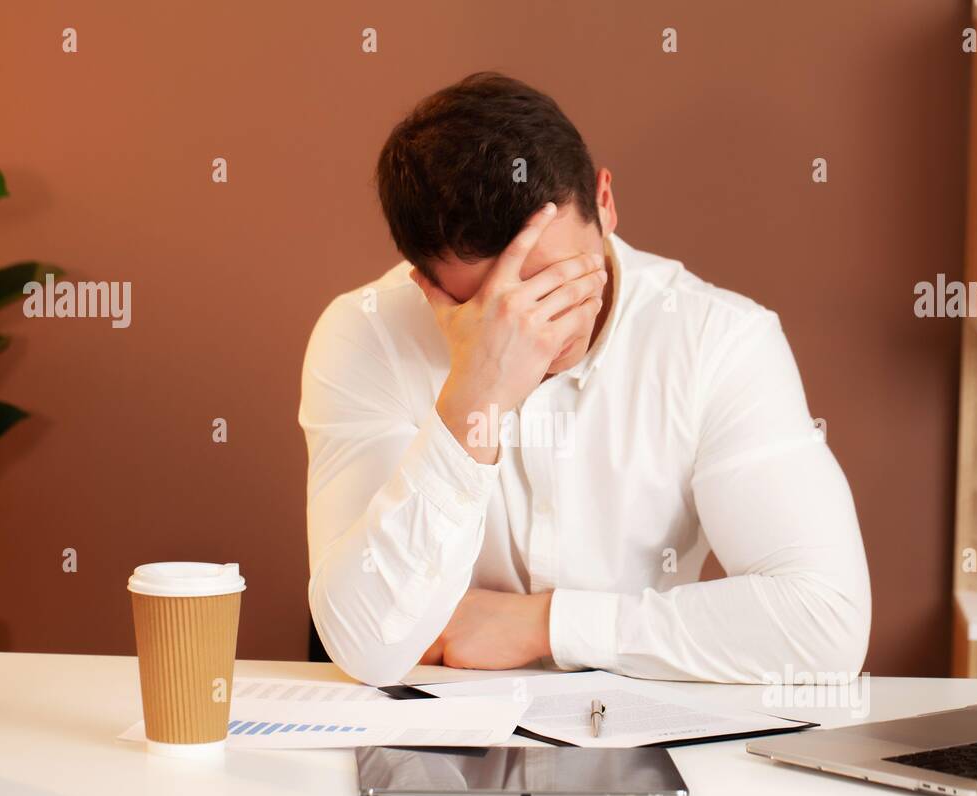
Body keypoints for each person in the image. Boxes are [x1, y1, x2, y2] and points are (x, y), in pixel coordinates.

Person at [300, 72, 870, 687]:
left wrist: (548, 624)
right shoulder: (366, 333)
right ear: (426, 282)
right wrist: (478, 390)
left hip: (645, 737)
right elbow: (367, 647)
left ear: (604, 203)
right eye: (487, 304)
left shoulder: (719, 340)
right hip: (432, 741)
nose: (529, 326)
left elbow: (826, 624)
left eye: (554, 281)